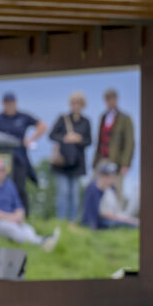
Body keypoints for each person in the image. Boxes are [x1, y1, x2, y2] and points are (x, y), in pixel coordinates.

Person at [0, 92, 46, 212]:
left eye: (11, 103)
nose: (9, 105)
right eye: (6, 103)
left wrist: (31, 139)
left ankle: (24, 215)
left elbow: (42, 125)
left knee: (19, 187)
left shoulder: (23, 117)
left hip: (19, 157)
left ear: (15, 103)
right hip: (0, 160)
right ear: (3, 104)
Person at [0, 155, 58, 250]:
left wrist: (19, 216)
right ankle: (42, 243)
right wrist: (11, 218)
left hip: (12, 219)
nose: (0, 172)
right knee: (12, 229)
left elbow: (19, 205)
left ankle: (42, 241)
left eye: (2, 169)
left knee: (28, 229)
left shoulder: (9, 185)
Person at [48, 91, 92, 224]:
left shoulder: (86, 122)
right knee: (63, 193)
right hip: (62, 163)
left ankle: (72, 223)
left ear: (83, 105)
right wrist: (65, 138)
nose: (76, 106)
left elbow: (89, 141)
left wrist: (79, 139)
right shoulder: (63, 119)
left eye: (79, 103)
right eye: (74, 103)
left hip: (77, 163)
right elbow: (52, 135)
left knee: (74, 195)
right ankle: (61, 223)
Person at [93, 88, 136, 188]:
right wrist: (95, 162)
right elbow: (99, 140)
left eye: (112, 99)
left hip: (117, 161)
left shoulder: (124, 118)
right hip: (102, 159)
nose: (110, 101)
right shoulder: (103, 117)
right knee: (97, 189)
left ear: (117, 100)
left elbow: (129, 142)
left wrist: (125, 163)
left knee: (116, 190)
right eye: (108, 99)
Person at [81, 161, 138, 230]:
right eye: (110, 177)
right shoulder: (94, 188)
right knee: (130, 224)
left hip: (112, 217)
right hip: (102, 221)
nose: (112, 180)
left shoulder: (110, 189)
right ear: (103, 176)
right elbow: (99, 213)